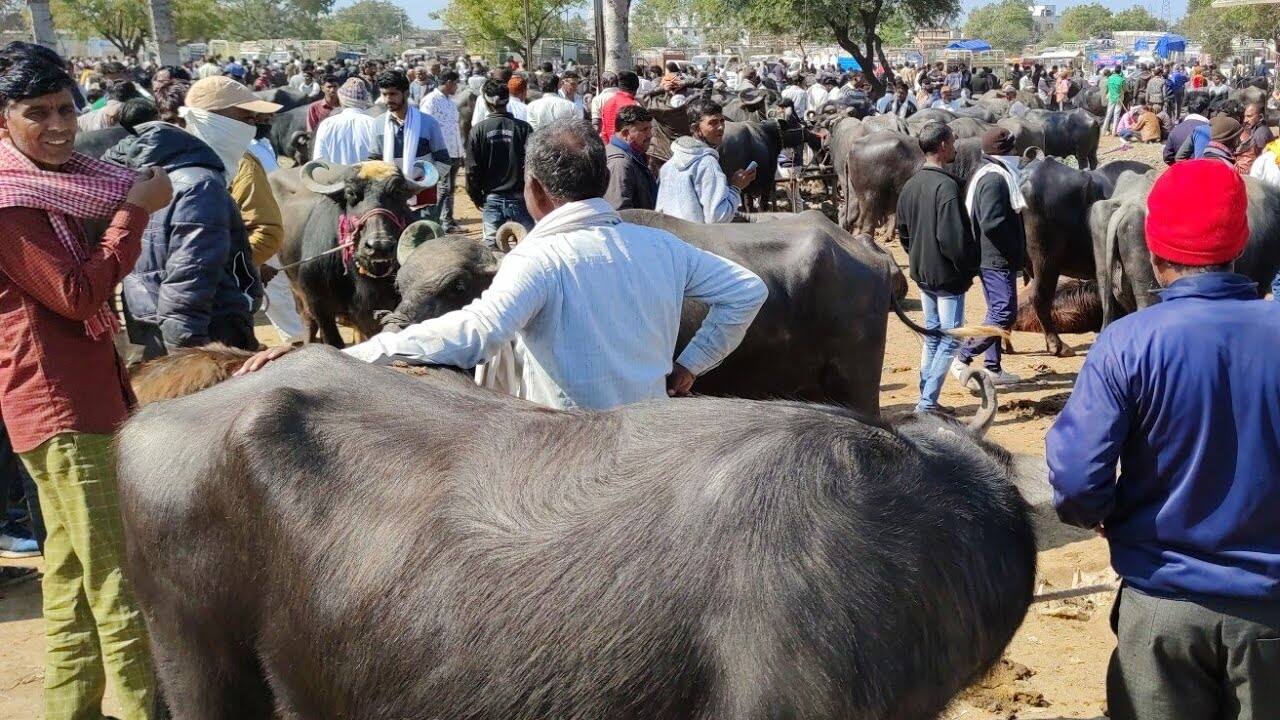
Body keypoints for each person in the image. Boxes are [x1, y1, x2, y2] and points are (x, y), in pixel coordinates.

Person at [238, 118, 768, 411]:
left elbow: (475, 333)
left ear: (533, 190)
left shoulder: (541, 258)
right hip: (653, 441)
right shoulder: (662, 246)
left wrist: (349, 357)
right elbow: (748, 291)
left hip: (569, 451)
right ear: (603, 183)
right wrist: (691, 364)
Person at [1047, 159, 1280, 720]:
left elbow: (1077, 481)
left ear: (1150, 252)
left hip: (1162, 607)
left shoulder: (1125, 345)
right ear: (1242, 244)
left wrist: (1101, 510)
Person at [0, 40, 173, 719]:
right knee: (118, 586)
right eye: (36, 113)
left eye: (67, 108)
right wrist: (135, 213)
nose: (59, 126)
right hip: (61, 407)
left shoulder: (57, 184)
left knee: (71, 581)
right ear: (3, 120)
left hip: (75, 400)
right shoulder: (11, 204)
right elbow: (74, 294)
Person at [116, 80, 265, 357]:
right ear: (208, 120)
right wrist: (189, 362)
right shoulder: (200, 184)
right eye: (245, 118)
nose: (251, 127)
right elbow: (187, 284)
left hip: (153, 326)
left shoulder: (155, 168)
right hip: (208, 336)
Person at [180, 77, 295, 343]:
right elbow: (267, 232)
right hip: (216, 302)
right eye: (246, 117)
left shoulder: (164, 158)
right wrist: (236, 268)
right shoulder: (242, 164)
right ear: (217, 118)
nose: (253, 125)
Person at [895, 123, 979, 414]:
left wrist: (918, 256)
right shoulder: (948, 186)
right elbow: (953, 240)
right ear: (943, 145)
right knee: (951, 337)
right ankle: (927, 404)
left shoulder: (910, 185)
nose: (956, 145)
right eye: (953, 140)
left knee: (933, 335)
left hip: (922, 273)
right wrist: (967, 269)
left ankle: (926, 397)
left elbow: (903, 233)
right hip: (947, 277)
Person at [950, 128, 1024, 386]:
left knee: (996, 311)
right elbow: (992, 223)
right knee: (1004, 313)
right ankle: (962, 357)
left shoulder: (988, 172)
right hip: (995, 258)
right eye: (1014, 149)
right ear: (1007, 151)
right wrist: (1015, 247)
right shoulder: (995, 178)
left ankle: (993, 367)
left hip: (991, 257)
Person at [654, 98, 755, 223]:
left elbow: (660, 212)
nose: (721, 127)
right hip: (697, 240)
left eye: (722, 121)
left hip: (672, 239)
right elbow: (718, 217)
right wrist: (736, 187)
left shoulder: (669, 166)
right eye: (713, 123)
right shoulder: (707, 163)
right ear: (696, 129)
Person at [468, 78, 534, 247]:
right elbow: (534, 165)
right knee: (529, 247)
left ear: (485, 101)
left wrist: (477, 197)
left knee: (491, 250)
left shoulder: (478, 130)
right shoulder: (524, 128)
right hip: (521, 200)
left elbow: (471, 170)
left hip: (492, 199)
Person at [375, 69, 450, 208]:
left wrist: (423, 184)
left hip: (424, 200)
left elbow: (444, 161)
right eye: (384, 94)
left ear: (406, 93)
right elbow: (373, 161)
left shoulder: (428, 123)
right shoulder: (378, 124)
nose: (388, 99)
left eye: (393, 94)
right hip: (390, 200)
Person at [421, 70, 464, 233]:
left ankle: (448, 221)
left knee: (450, 189)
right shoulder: (430, 101)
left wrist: (461, 153)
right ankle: (436, 224)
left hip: (454, 151)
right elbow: (425, 128)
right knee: (443, 189)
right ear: (449, 83)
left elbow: (454, 127)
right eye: (456, 83)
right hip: (440, 152)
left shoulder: (451, 102)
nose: (457, 87)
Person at [311, 76, 380, 165]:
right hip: (367, 178)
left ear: (341, 100)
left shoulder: (326, 124)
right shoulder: (374, 124)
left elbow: (319, 161)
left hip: (336, 177)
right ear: (365, 100)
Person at [604, 104, 657, 211]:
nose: (650, 135)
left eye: (650, 129)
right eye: (644, 130)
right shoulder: (619, 164)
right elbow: (620, 211)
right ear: (625, 133)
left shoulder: (634, 155)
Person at [1164, 93, 1211, 165]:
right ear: (1205, 110)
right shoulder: (1210, 130)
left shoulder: (1175, 130)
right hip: (1203, 172)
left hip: (1181, 173)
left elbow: (1167, 157)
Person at [600, 70, 640, 143]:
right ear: (636, 88)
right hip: (629, 151)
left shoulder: (608, 103)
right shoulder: (635, 105)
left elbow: (604, 133)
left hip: (610, 148)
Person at [1235, 102, 1275, 175]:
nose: (1245, 120)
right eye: (1245, 116)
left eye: (1249, 116)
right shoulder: (1258, 129)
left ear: (1260, 117)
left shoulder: (1260, 134)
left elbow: (1260, 158)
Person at [1103, 67, 1124, 135]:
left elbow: (1108, 87)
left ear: (1114, 71)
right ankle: (1114, 132)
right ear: (1120, 71)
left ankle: (1103, 131)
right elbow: (1124, 89)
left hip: (1111, 98)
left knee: (1108, 115)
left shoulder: (1110, 78)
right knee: (1116, 115)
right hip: (1119, 99)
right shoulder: (1121, 79)